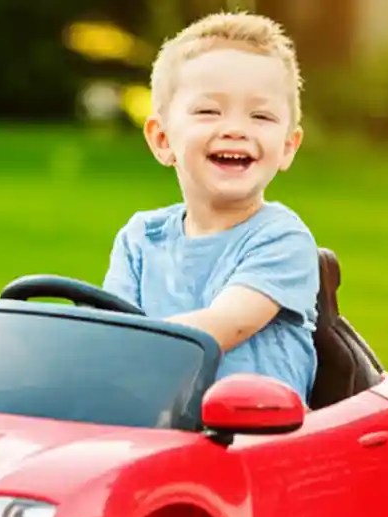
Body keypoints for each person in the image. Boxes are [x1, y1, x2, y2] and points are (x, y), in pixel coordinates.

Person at [102, 11, 320, 402]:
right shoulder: (140, 240)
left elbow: (224, 325)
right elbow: (111, 337)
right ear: (162, 139)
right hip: (160, 428)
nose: (236, 128)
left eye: (261, 115)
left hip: (257, 441)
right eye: (208, 111)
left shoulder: (282, 239)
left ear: (288, 146)